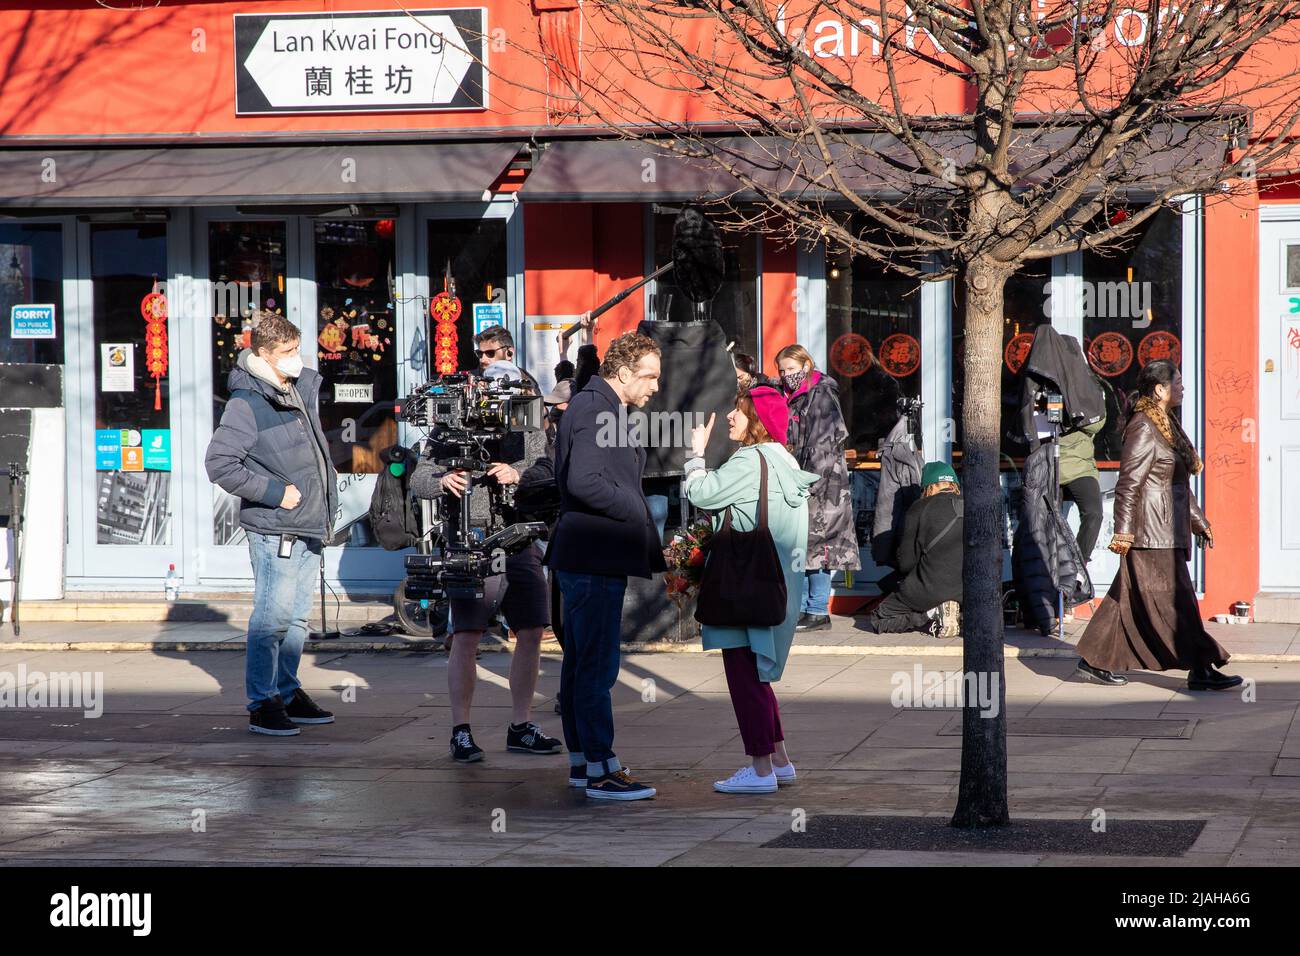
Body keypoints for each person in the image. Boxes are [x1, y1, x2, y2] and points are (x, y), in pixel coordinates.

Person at [424, 325, 560, 762]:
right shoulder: (457, 404)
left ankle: (521, 724)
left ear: (509, 353)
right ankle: (460, 730)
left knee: (533, 629)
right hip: (471, 536)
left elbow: (545, 462)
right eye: (478, 355)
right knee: (467, 633)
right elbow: (419, 473)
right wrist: (443, 479)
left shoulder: (525, 401)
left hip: (519, 533)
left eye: (490, 354)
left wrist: (518, 473)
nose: (483, 362)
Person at [547, 332, 666, 800]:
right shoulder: (598, 407)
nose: (655, 386)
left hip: (585, 554)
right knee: (596, 667)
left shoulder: (594, 403)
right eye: (649, 376)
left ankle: (584, 762)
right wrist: (638, 511)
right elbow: (586, 482)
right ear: (622, 372)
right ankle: (600, 769)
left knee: (581, 664)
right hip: (593, 555)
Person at [204, 315, 337, 736]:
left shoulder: (295, 390)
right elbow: (220, 464)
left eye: (297, 349)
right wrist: (276, 493)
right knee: (271, 618)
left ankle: (288, 690)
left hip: (305, 523)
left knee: (297, 618)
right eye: (287, 353)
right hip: (275, 525)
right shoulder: (248, 402)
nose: (296, 359)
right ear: (263, 354)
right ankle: (263, 702)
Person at [1076, 360, 1242, 691]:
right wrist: (1123, 533)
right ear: (1160, 390)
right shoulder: (1143, 427)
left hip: (1167, 529)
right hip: (1150, 533)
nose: (1182, 387)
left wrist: (1198, 520)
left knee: (1132, 598)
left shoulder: (1165, 424)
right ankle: (1201, 665)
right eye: (1176, 382)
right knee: (1175, 602)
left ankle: (1094, 660)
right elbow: (1128, 484)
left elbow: (1177, 483)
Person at [684, 386, 817, 793]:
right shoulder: (783, 459)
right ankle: (779, 759)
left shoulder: (748, 460)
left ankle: (759, 769)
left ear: (756, 421)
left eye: (738, 412)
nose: (729, 418)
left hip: (744, 585)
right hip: (775, 587)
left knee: (744, 676)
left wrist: (695, 457)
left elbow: (701, 493)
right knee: (759, 673)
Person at [775, 344, 861, 631]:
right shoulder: (795, 396)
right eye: (782, 370)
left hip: (822, 483)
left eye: (791, 369)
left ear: (806, 365)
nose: (786, 375)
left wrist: (805, 480)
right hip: (806, 479)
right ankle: (803, 608)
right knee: (804, 547)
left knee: (819, 547)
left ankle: (817, 609)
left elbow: (822, 445)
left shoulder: (820, 395)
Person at [865, 462, 963, 638]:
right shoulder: (973, 507)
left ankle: (929, 616)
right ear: (954, 483)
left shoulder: (919, 508)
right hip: (967, 591)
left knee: (879, 619)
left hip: (929, 589)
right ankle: (957, 615)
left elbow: (906, 563)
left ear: (927, 486)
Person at [1059, 409, 1107, 565]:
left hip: (1080, 463)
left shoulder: (1087, 389)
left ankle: (1079, 566)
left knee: (1094, 513)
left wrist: (1074, 416)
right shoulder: (1045, 388)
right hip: (1050, 461)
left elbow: (1098, 422)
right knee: (1046, 521)